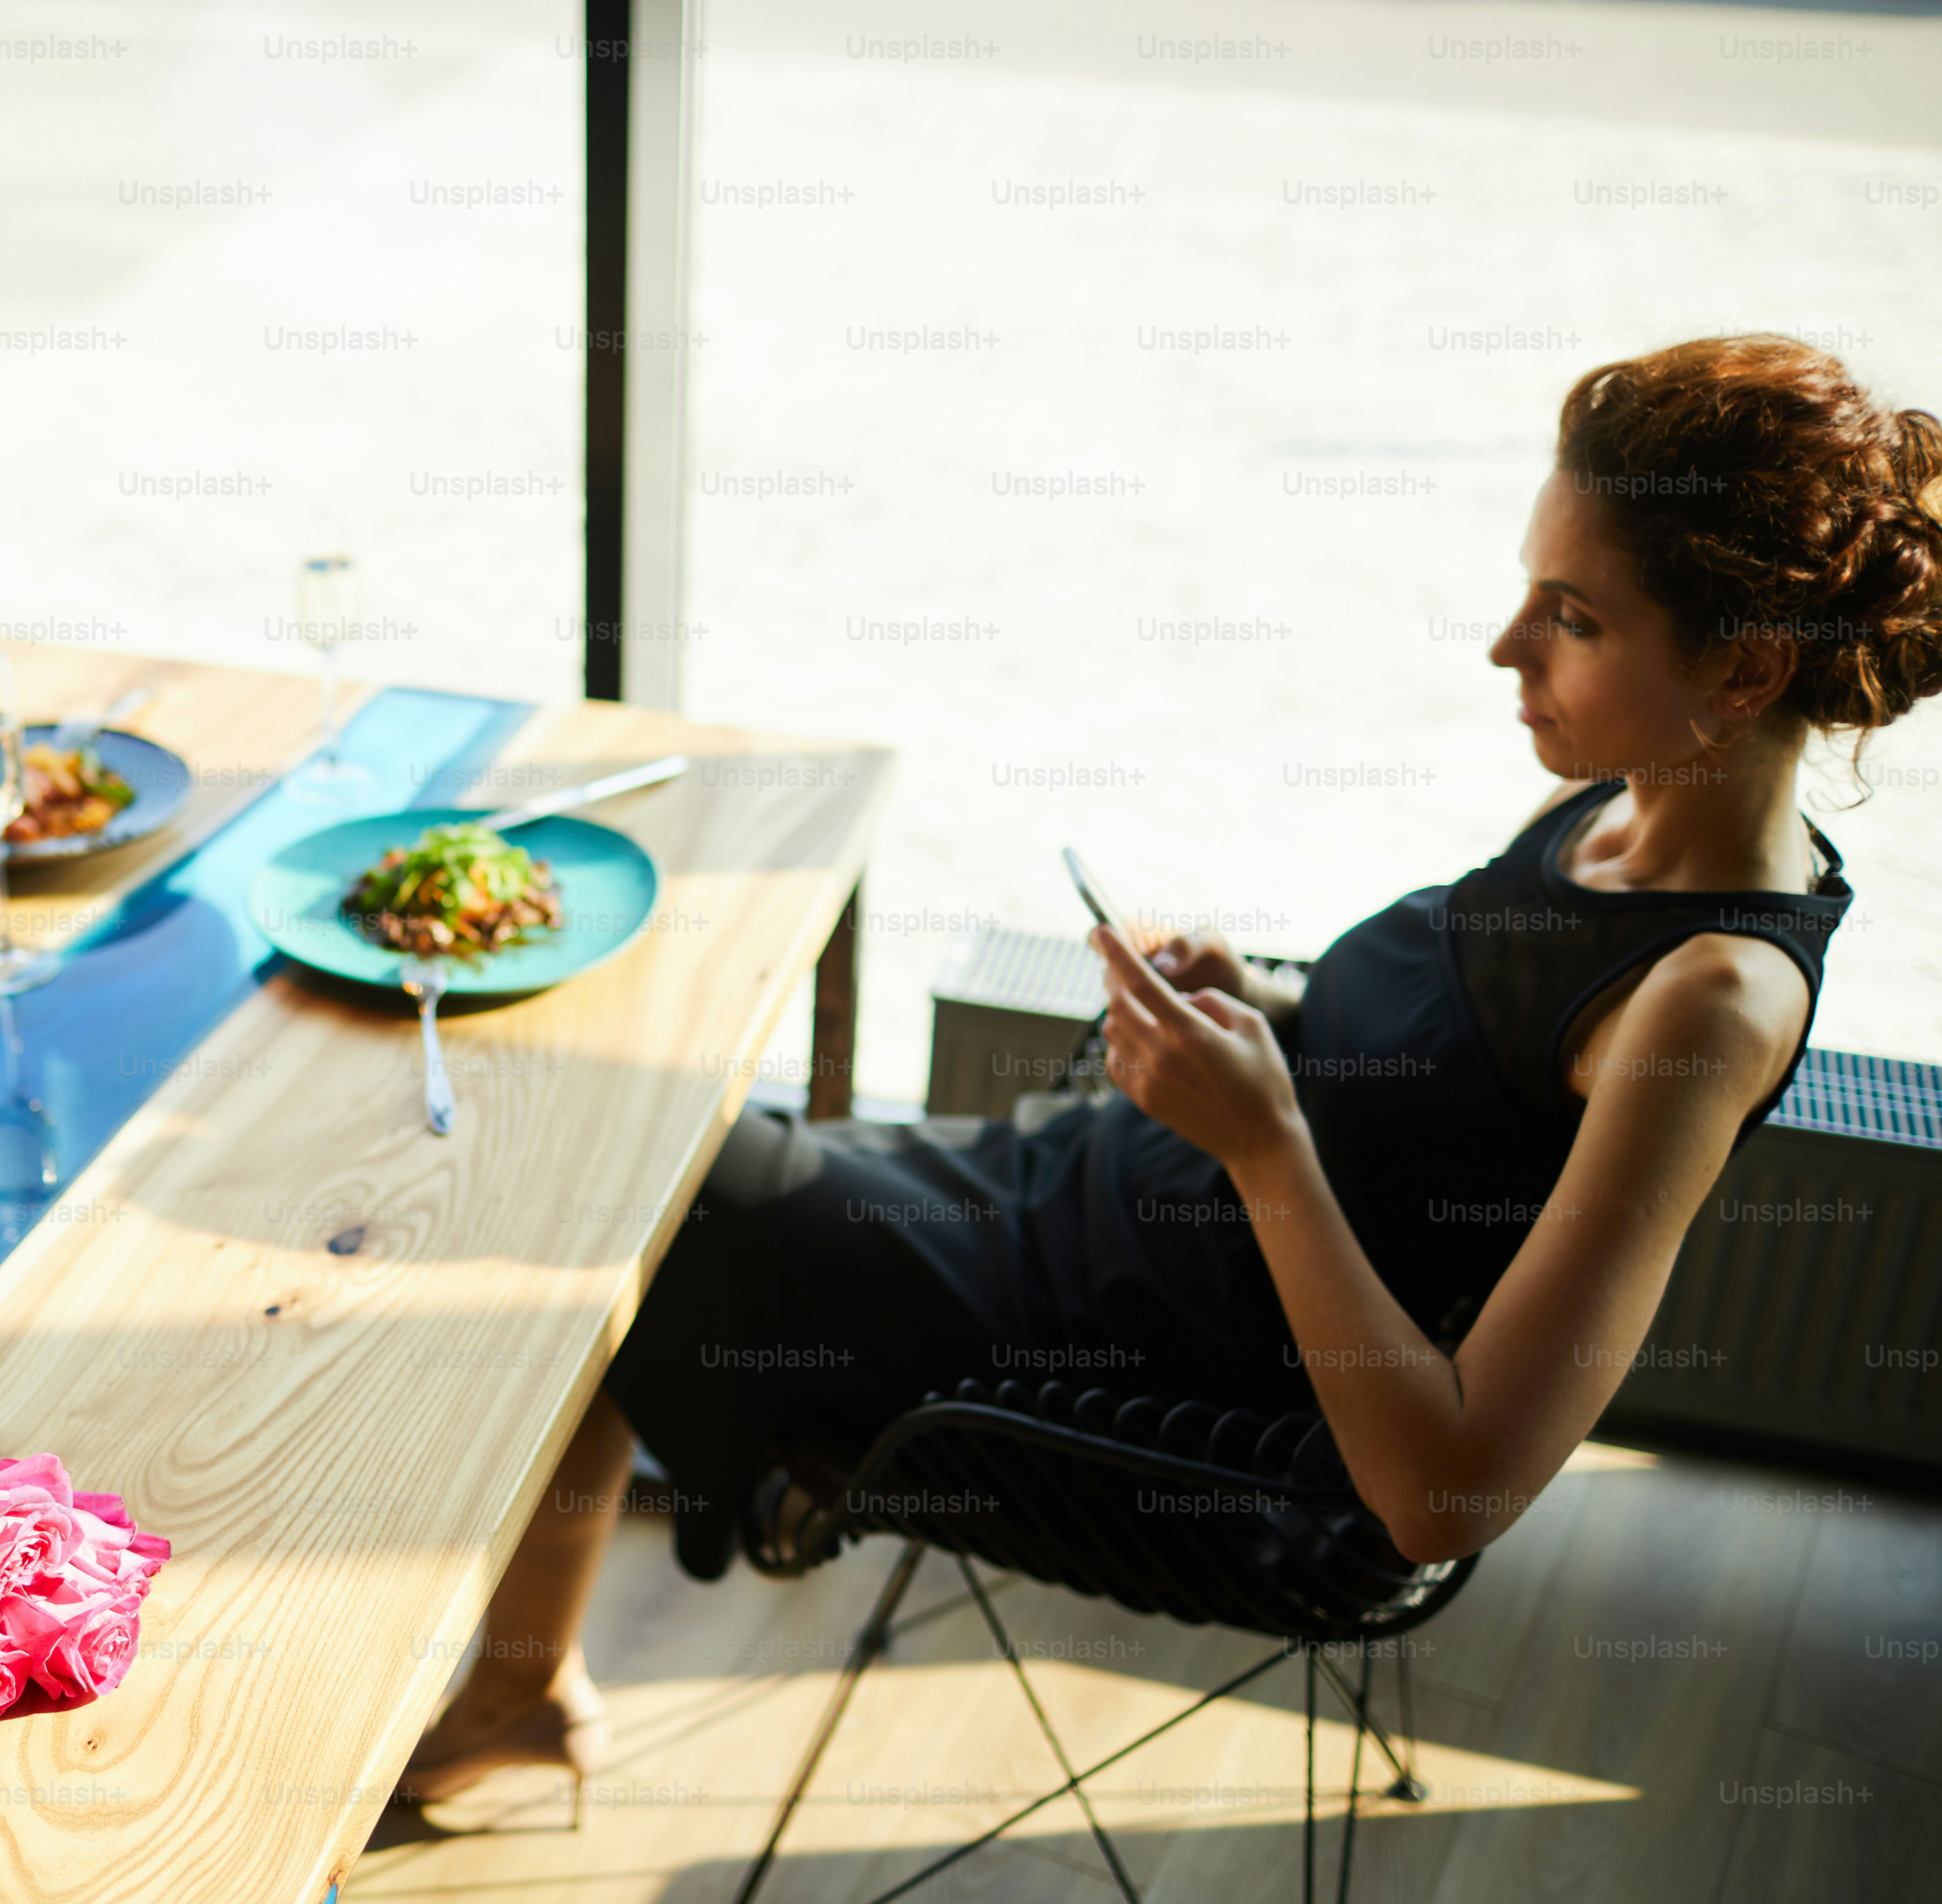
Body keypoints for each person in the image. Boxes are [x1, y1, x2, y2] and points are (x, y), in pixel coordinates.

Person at [395, 335, 1942, 1812]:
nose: (1506, 649)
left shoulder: (1707, 1002)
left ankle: (537, 1664)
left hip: (1153, 1371)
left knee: (658, 1196)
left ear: (1741, 668)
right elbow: (1461, 1089)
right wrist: (1263, 1007)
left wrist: (1264, 1147)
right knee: (676, 1179)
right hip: (1114, 1208)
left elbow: (1444, 1497)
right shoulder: (1621, 812)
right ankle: (531, 1681)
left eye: (1575, 619)